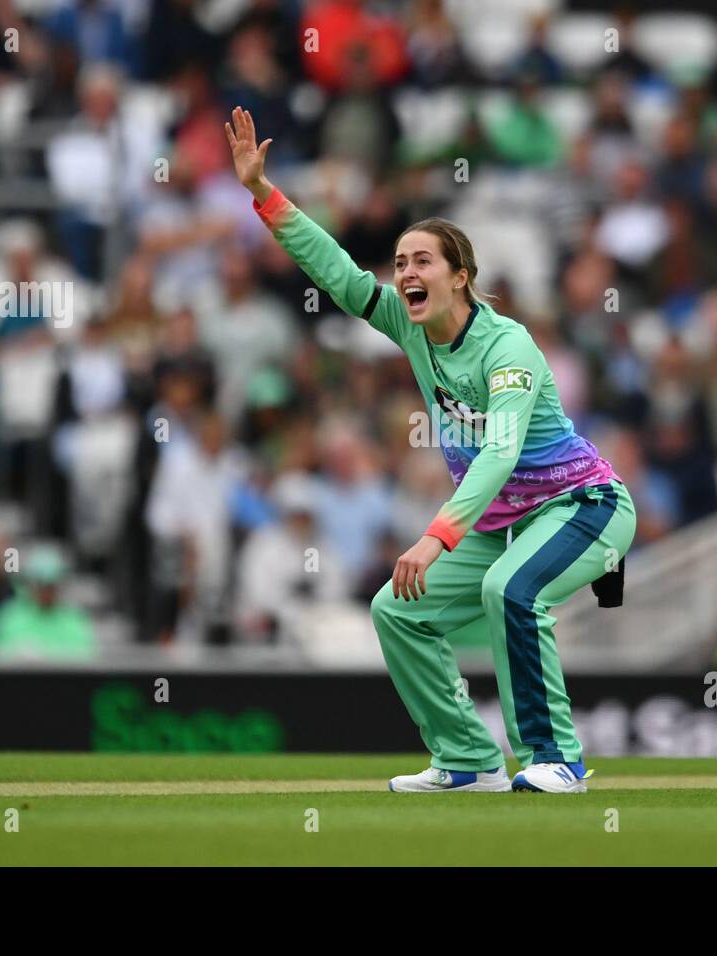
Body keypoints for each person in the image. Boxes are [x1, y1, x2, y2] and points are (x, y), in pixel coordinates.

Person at [225, 107, 637, 793]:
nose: (404, 273)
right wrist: (264, 195)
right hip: (506, 521)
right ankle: (469, 759)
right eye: (399, 263)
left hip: (584, 506)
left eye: (421, 261)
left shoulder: (508, 346)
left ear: (461, 277)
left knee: (510, 589)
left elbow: (501, 452)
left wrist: (436, 536)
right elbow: (337, 273)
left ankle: (556, 757)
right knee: (396, 609)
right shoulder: (409, 325)